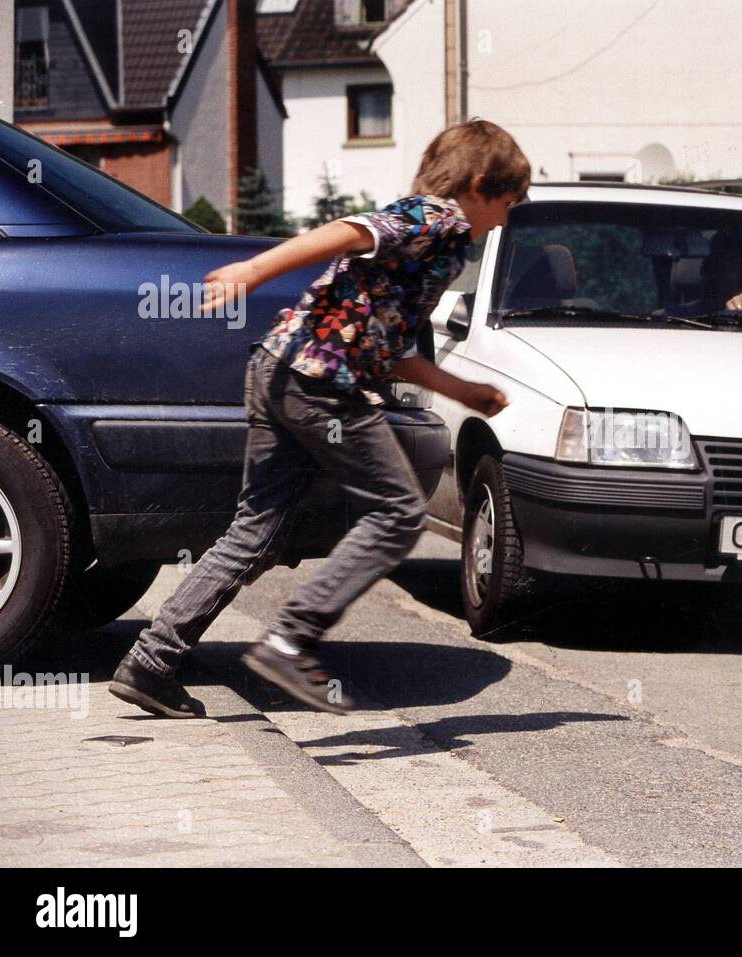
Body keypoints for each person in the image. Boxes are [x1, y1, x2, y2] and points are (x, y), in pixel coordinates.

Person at [109, 120, 530, 718]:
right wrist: (252, 270)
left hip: (276, 368)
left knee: (255, 528)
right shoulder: (438, 219)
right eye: (507, 204)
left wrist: (462, 388)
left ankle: (151, 661)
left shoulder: (430, 237)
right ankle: (289, 639)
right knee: (399, 511)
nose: (504, 220)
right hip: (320, 387)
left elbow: (393, 352)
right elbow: (348, 231)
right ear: (481, 185)